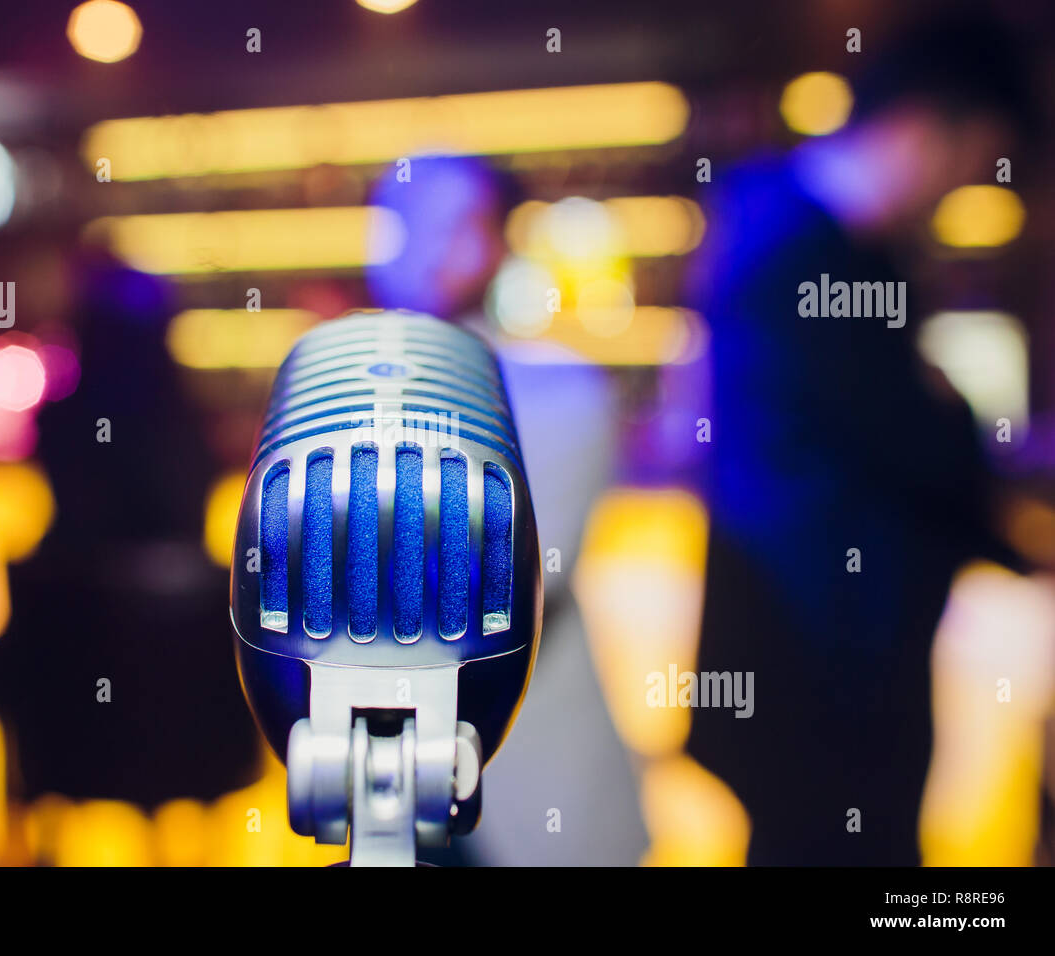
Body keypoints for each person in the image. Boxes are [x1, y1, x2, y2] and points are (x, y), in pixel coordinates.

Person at [683, 13, 1038, 865]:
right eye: (967, 162)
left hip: (814, 667)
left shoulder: (785, 229)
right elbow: (914, 443)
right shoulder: (808, 252)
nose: (957, 190)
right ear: (925, 126)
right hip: (820, 672)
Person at [367, 155, 647, 865]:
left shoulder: (558, 393)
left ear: (499, 244)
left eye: (457, 224)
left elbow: (493, 587)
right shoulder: (342, 397)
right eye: (405, 221)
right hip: (391, 784)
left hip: (526, 767)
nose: (427, 246)